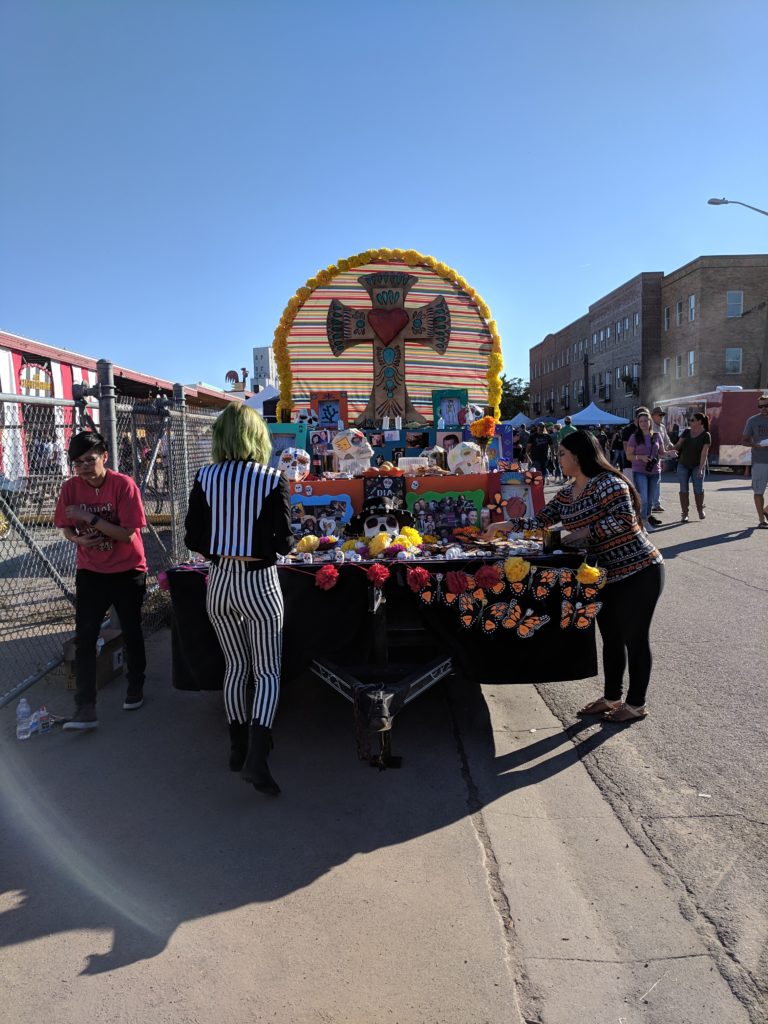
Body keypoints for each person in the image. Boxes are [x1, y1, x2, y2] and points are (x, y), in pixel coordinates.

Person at [481, 429, 664, 722]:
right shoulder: (568, 492)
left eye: (563, 453)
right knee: (611, 638)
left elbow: (624, 521)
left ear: (578, 456)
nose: (560, 458)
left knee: (635, 638)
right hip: (606, 574)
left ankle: (636, 704)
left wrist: (581, 534)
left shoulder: (609, 483)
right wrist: (502, 525)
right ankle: (612, 697)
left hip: (640, 570)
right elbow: (541, 520)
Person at [184, 404, 293, 796]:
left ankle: (237, 748)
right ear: (257, 436)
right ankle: (257, 758)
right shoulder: (272, 478)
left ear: (220, 437)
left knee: (235, 666)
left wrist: (221, 548)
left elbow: (192, 536)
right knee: (267, 672)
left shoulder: (205, 476)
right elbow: (284, 542)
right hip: (259, 582)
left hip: (219, 581)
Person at [54, 431, 148, 730]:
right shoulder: (70, 488)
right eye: (77, 462)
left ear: (104, 457)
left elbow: (127, 534)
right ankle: (85, 706)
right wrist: (78, 540)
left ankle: (135, 685)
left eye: (89, 460)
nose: (83, 466)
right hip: (91, 570)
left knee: (131, 629)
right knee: (85, 636)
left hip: (127, 569)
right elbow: (65, 527)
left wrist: (90, 517)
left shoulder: (123, 485)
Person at [625, 411, 663, 531]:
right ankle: (642, 523)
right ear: (638, 423)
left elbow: (661, 453)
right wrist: (640, 457)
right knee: (644, 499)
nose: (643, 423)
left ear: (650, 422)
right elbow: (628, 456)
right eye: (640, 421)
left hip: (655, 471)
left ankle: (645, 520)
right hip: (639, 470)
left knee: (650, 499)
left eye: (645, 421)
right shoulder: (634, 437)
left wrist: (669, 453)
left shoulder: (657, 435)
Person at [675, 412, 711, 522]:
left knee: (698, 488)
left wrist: (701, 469)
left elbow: (704, 453)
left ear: (699, 422)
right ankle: (685, 514)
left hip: (697, 465)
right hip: (683, 464)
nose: (690, 422)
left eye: (692, 420)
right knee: (683, 489)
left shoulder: (706, 435)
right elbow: (678, 445)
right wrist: (669, 448)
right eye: (690, 420)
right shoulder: (686, 432)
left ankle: (700, 510)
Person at [741, 394, 768, 528]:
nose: (763, 409)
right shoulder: (752, 421)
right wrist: (756, 445)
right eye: (760, 406)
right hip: (760, 461)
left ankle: (766, 510)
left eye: (766, 406)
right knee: (759, 492)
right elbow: (744, 441)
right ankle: (762, 520)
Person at [649, 407, 676, 517]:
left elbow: (667, 441)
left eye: (662, 415)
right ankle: (648, 504)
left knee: (657, 480)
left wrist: (674, 447)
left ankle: (656, 504)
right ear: (653, 416)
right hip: (649, 458)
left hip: (659, 457)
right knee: (649, 480)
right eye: (659, 415)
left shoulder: (662, 427)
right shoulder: (649, 426)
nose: (661, 417)